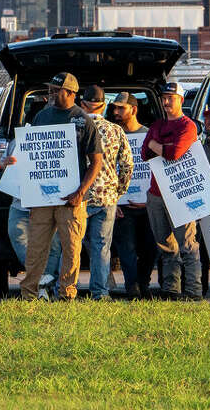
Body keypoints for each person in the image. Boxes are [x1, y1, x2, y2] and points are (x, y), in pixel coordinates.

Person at [17, 73, 103, 301]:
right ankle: (28, 293)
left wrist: (81, 192)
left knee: (72, 248)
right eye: (51, 90)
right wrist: (31, 193)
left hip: (71, 198)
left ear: (71, 93)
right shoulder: (41, 117)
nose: (51, 94)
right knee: (36, 246)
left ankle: (67, 293)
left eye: (56, 90)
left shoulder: (83, 120)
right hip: (43, 198)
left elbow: (96, 161)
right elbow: (33, 157)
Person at [143, 82, 203, 300]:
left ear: (181, 100)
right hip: (156, 193)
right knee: (166, 246)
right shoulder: (157, 125)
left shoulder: (188, 126)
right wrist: (161, 147)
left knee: (188, 245)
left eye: (171, 97)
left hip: (181, 193)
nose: (166, 101)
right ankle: (171, 291)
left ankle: (193, 292)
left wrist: (157, 146)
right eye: (164, 97)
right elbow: (143, 151)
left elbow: (174, 153)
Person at [75, 85, 132, 301]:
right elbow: (127, 166)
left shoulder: (74, 128)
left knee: (72, 244)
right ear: (104, 105)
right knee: (102, 245)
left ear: (83, 105)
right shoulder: (116, 131)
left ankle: (66, 288)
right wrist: (118, 192)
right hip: (107, 197)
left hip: (78, 196)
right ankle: (100, 291)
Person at [108, 91, 157, 298]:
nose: (116, 112)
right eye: (115, 108)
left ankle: (143, 284)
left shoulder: (149, 135)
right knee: (126, 249)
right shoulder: (111, 136)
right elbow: (108, 170)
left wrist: (151, 201)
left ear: (133, 110)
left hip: (147, 204)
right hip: (122, 204)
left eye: (121, 108)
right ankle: (132, 287)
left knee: (149, 248)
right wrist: (114, 201)